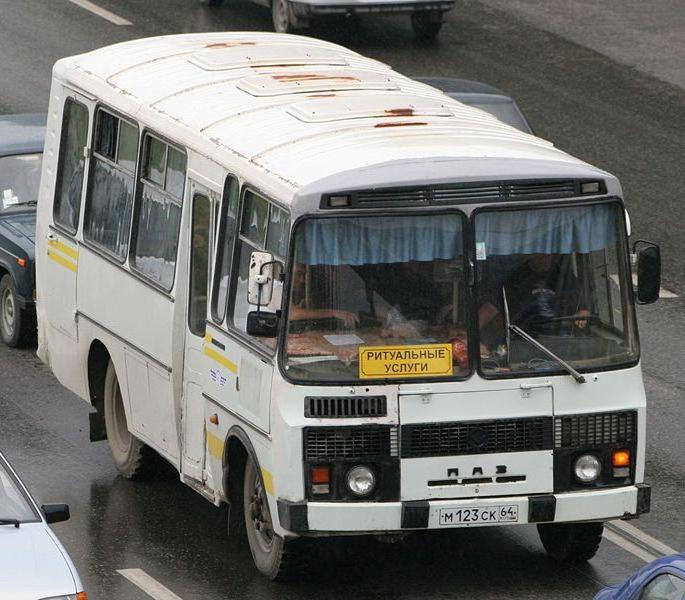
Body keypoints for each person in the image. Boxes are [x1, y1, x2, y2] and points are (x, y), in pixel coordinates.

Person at [479, 253, 590, 346]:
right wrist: (470, 334)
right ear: (529, 253)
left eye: (547, 252)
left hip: (561, 339)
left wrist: (581, 316)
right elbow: (492, 309)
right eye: (539, 251)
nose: (544, 256)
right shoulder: (516, 278)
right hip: (524, 340)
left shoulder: (564, 277)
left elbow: (582, 308)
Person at [288, 263, 359, 328]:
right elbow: (291, 313)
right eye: (299, 274)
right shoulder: (279, 286)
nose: (302, 280)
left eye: (303, 275)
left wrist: (300, 309)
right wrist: (334, 313)